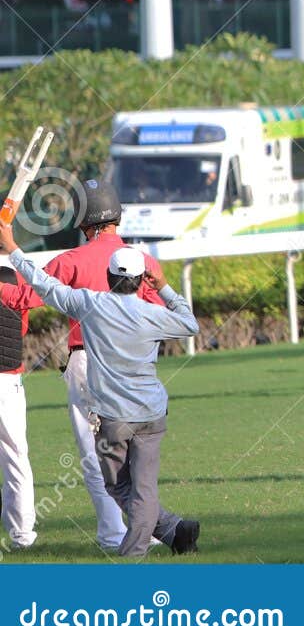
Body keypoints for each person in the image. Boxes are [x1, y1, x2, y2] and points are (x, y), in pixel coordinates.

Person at [0, 224, 200, 557]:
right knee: (139, 486)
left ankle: (133, 554)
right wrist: (164, 288)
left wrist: (13, 250)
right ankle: (173, 530)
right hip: (152, 415)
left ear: (108, 278)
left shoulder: (89, 305)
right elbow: (190, 323)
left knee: (121, 485)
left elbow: (44, 285)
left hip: (114, 417)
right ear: (140, 282)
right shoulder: (154, 313)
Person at [23, 180, 162, 551]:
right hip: (136, 366)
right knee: (137, 456)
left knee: (95, 456)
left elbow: (26, 294)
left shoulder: (70, 260)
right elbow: (160, 314)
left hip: (88, 364)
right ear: (116, 216)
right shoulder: (143, 261)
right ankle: (147, 530)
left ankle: (115, 534)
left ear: (86, 223)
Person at [0, 264, 36, 550]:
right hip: (7, 379)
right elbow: (22, 326)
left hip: (8, 376)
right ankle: (22, 535)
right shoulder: (15, 276)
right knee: (15, 457)